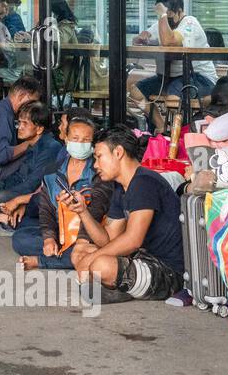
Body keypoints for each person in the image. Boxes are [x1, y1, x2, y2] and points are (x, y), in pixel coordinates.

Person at [63, 127, 186, 302]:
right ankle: (118, 287)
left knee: (100, 264)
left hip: (168, 272)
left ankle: (119, 290)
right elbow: (108, 239)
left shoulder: (144, 182)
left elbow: (133, 240)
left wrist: (92, 259)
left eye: (99, 157)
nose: (95, 164)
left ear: (118, 152)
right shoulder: (121, 188)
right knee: (82, 254)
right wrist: (83, 211)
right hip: (142, 260)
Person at [13, 113, 114, 270]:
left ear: (93, 144)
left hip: (91, 235)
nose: (80, 143)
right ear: (66, 139)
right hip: (62, 232)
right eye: (75, 138)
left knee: (89, 251)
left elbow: (97, 211)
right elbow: (46, 208)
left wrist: (82, 242)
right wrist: (48, 238)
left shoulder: (99, 171)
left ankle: (45, 260)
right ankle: (69, 255)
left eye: (86, 140)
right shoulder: (53, 170)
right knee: (20, 239)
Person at [0, 101, 64, 224]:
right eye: (19, 122)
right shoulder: (32, 146)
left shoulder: (50, 148)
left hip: (41, 199)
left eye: (25, 123)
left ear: (39, 129)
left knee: (1, 197)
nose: (20, 127)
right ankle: (2, 216)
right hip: (25, 193)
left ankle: (7, 220)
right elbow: (18, 177)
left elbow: (32, 184)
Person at [131, 0, 218, 105]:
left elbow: (169, 41)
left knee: (173, 98)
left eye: (169, 16)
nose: (166, 20)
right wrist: (141, 38)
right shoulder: (162, 24)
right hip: (168, 78)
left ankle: (180, 123)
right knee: (136, 92)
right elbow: (137, 40)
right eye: (163, 16)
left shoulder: (190, 23)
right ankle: (160, 123)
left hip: (199, 77)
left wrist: (163, 15)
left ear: (180, 11)